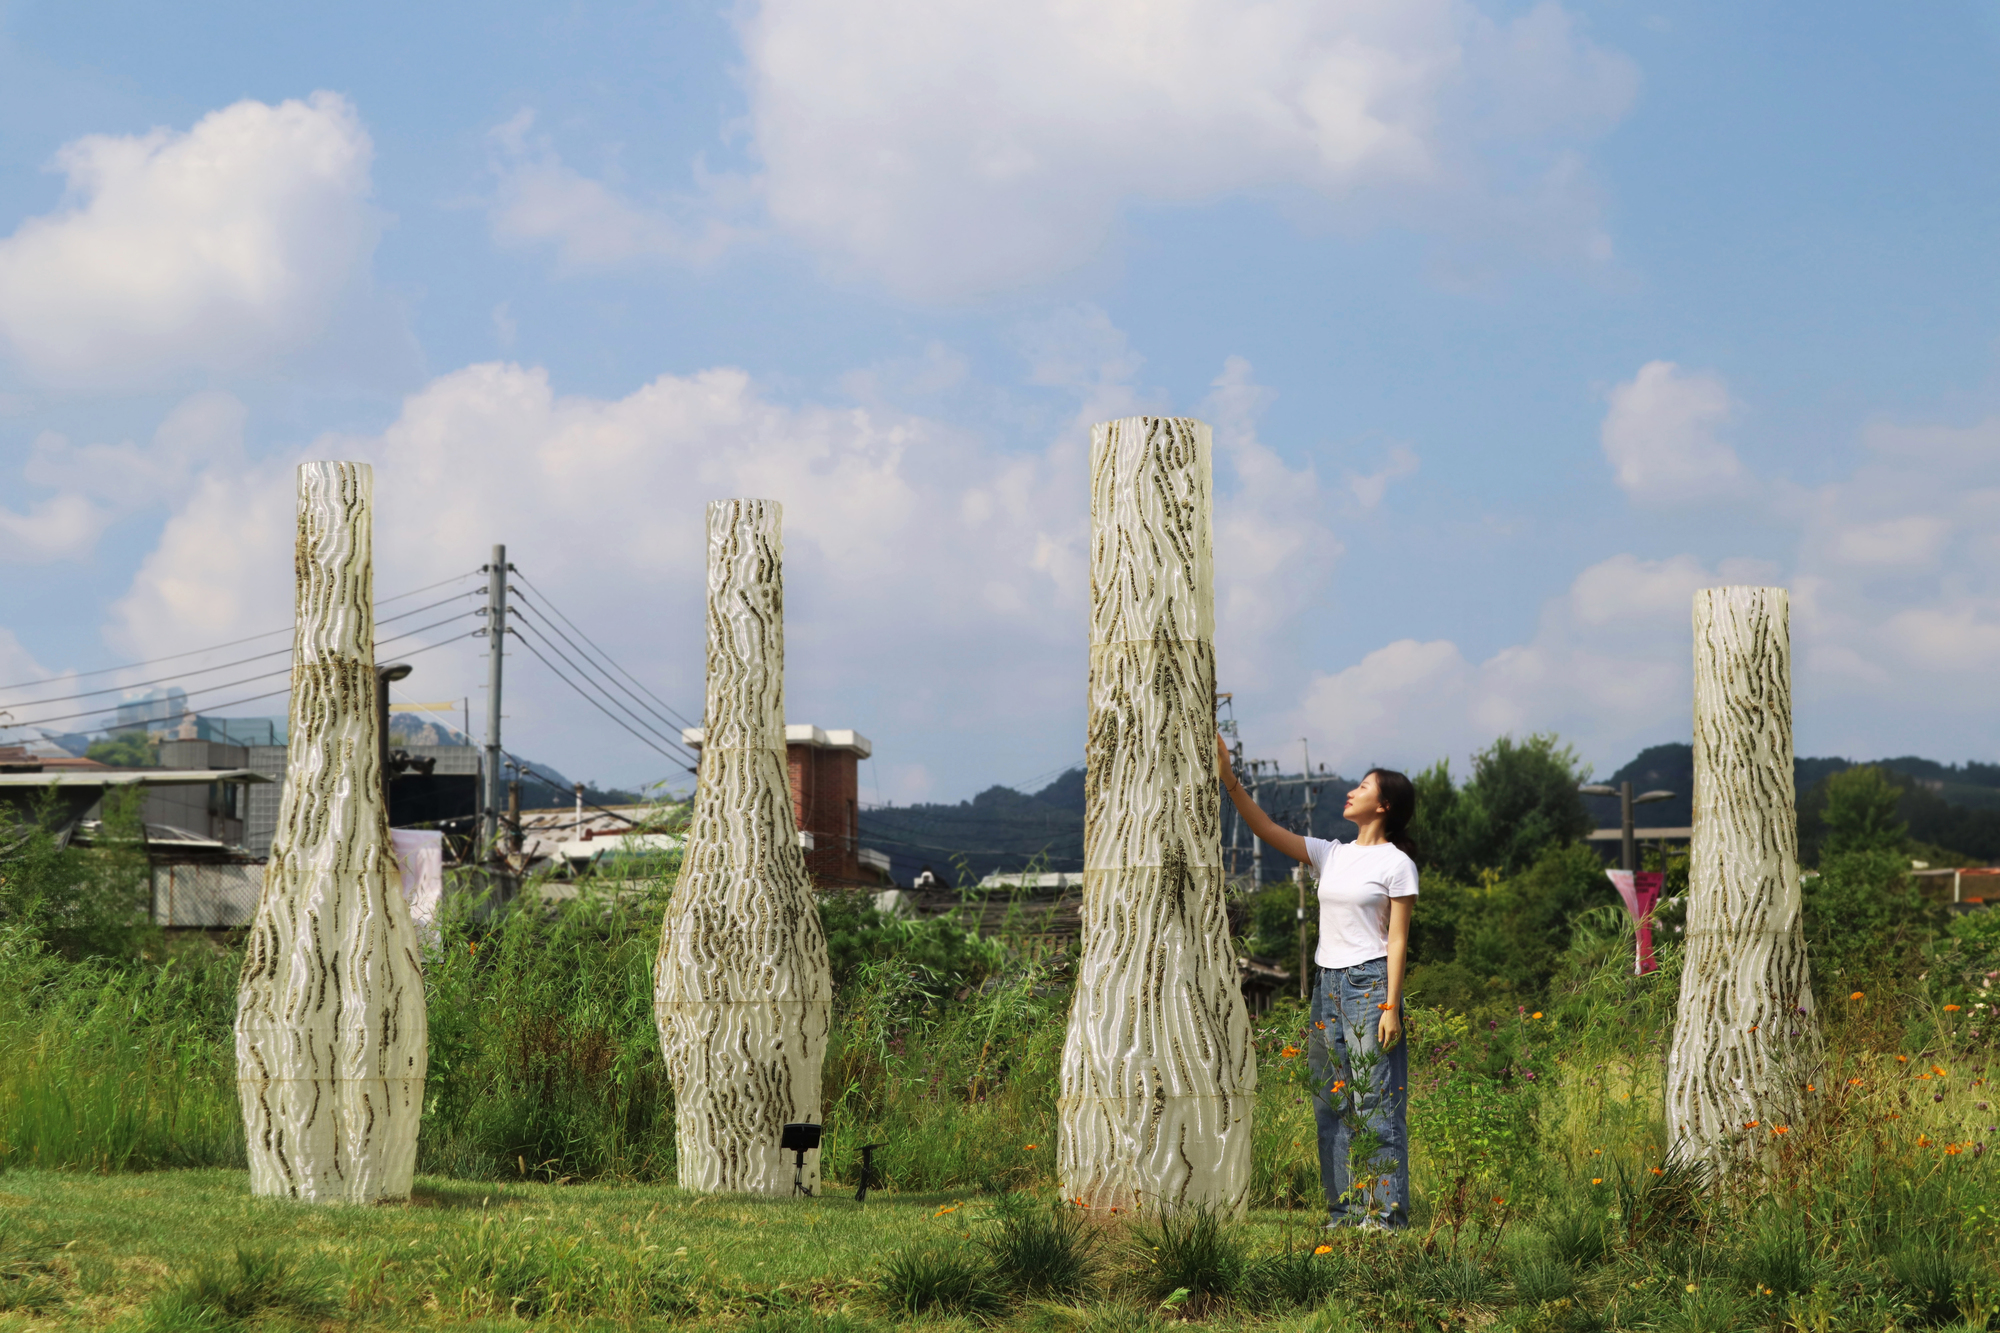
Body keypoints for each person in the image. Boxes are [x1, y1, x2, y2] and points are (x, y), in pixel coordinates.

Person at [1215, 733, 1419, 1230]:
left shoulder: (1397, 863)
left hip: (1370, 985)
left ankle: (1385, 1218)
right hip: (1326, 985)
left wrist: (1391, 1006)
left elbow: (1397, 940)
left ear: (1384, 805)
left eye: (1363, 787)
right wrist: (1229, 779)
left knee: (1375, 1102)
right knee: (1331, 1100)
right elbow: (1265, 828)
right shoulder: (1332, 853)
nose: (1352, 791)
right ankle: (1344, 1214)